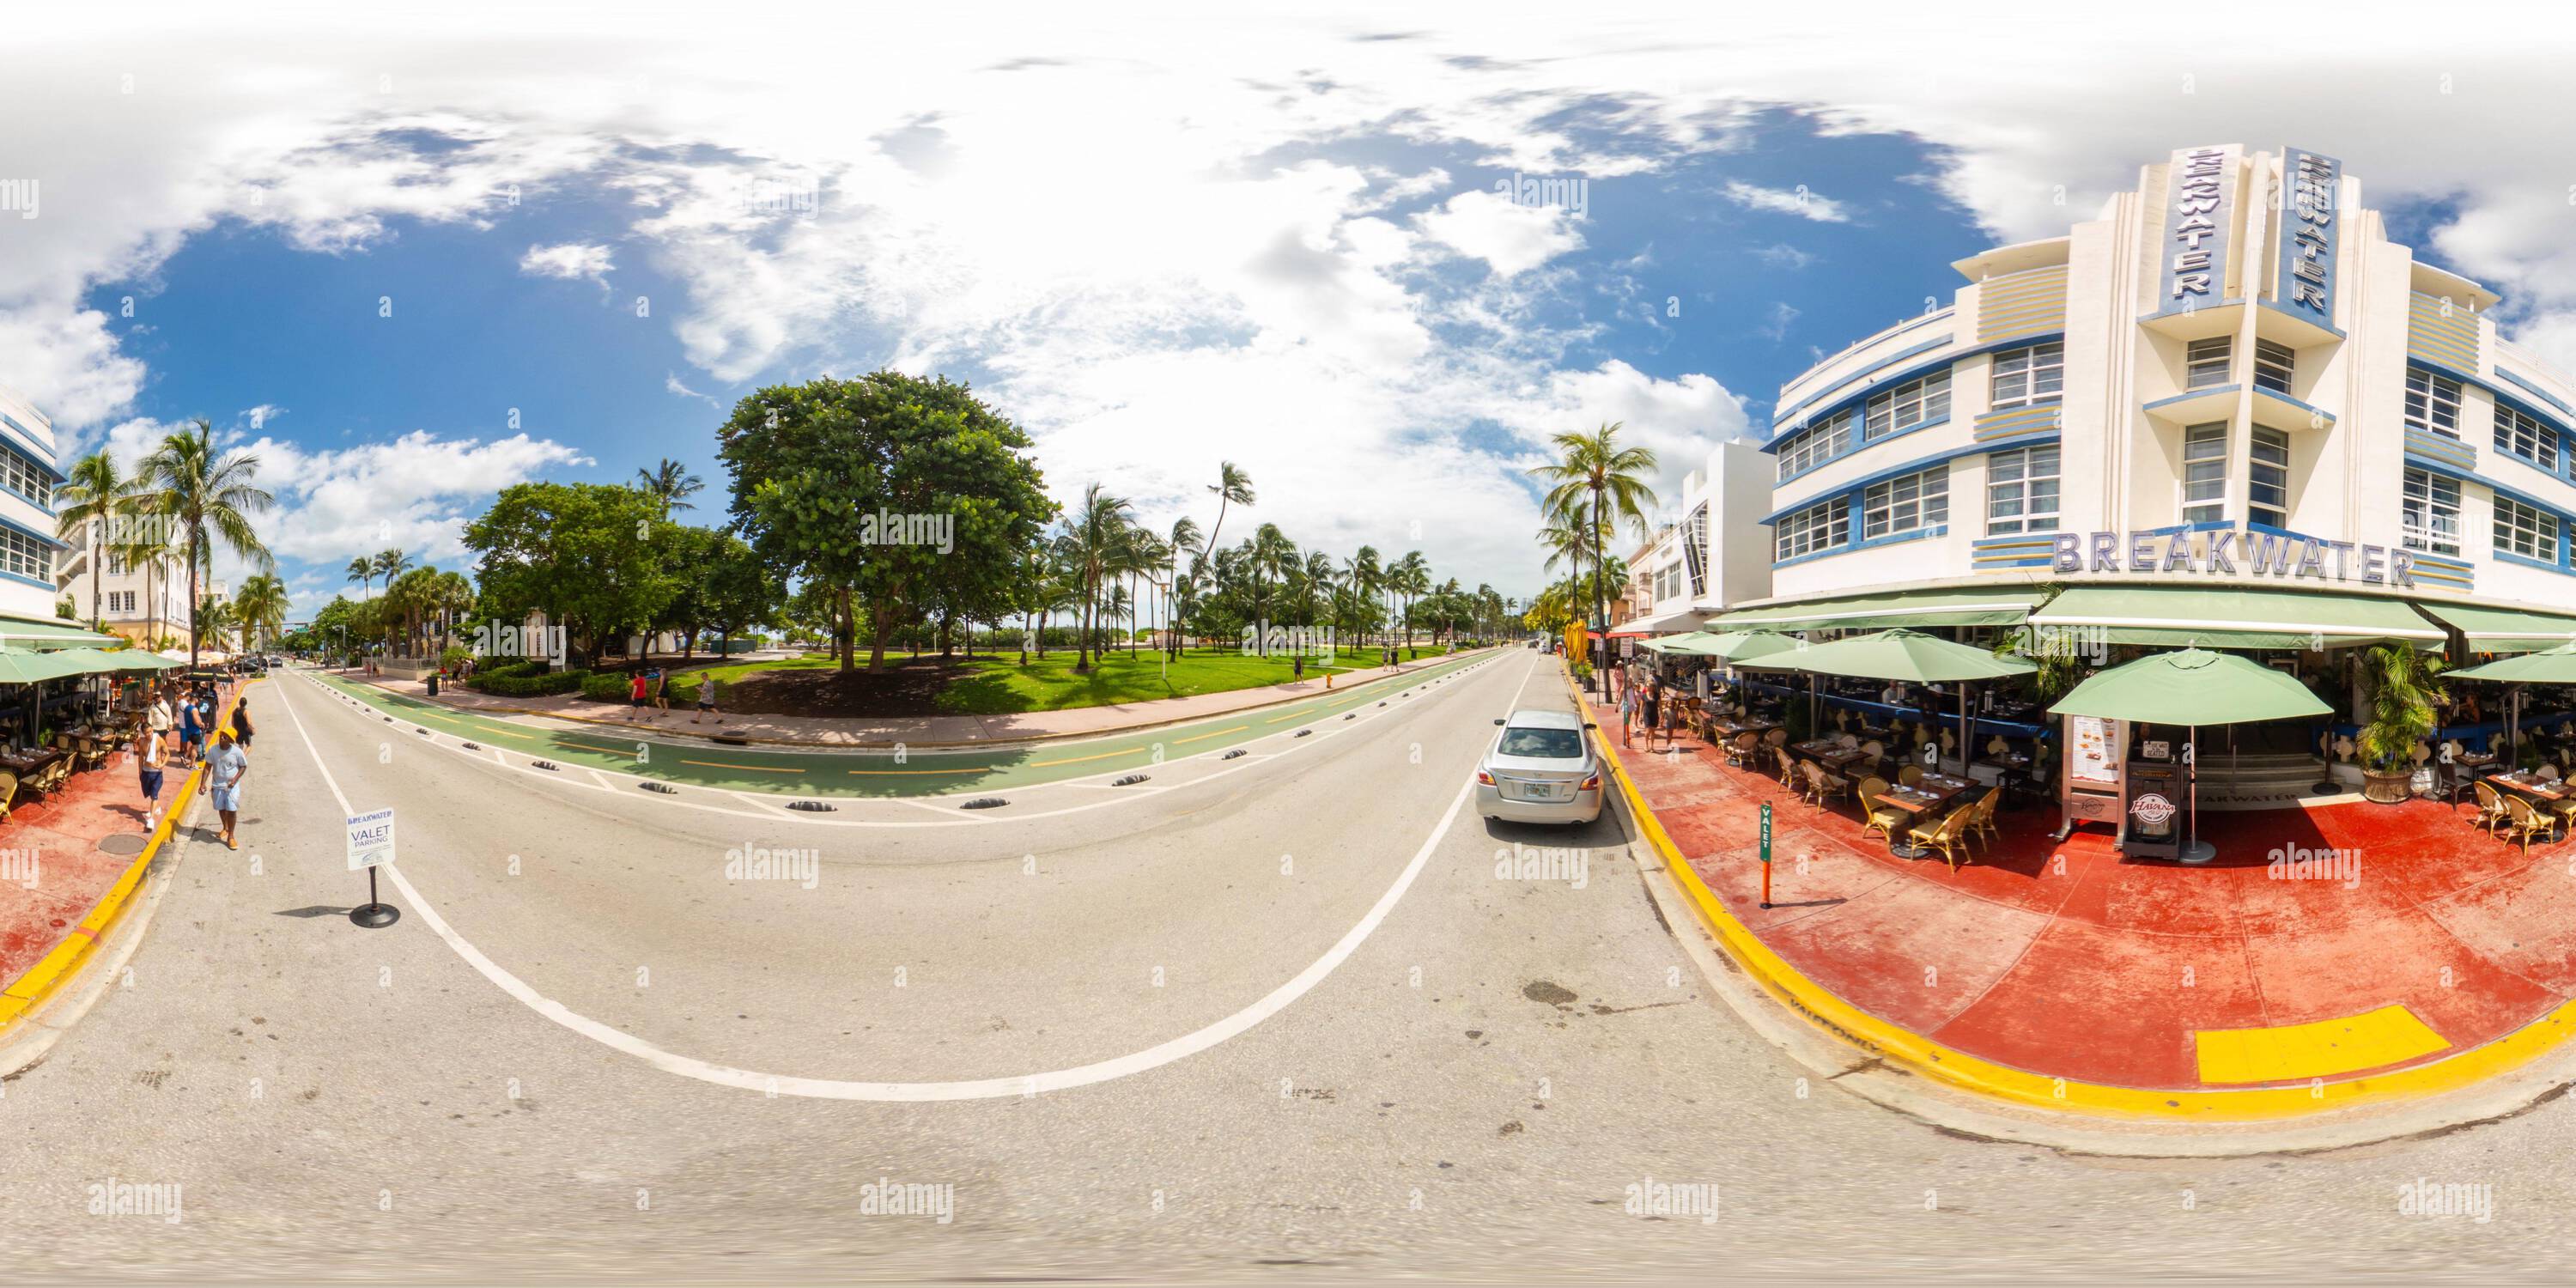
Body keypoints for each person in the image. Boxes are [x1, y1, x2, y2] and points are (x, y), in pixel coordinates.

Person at [203, 727, 248, 850]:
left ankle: (231, 837)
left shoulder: (237, 752)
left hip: (231, 787)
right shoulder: (213, 750)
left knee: (232, 809)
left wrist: (235, 779)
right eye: (221, 735)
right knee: (221, 808)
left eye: (225, 736)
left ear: (230, 741)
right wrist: (202, 784)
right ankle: (225, 828)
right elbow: (207, 766)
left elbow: (243, 766)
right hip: (217, 785)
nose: (222, 738)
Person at [135, 726, 167, 830]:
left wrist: (162, 765)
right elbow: (140, 758)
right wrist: (140, 772)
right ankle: (156, 808)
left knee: (154, 795)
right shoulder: (142, 742)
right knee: (149, 792)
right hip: (146, 771)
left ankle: (151, 820)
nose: (149, 734)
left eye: (150, 731)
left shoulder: (159, 740)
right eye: (147, 732)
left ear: (152, 730)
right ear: (143, 733)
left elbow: (167, 754)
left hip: (157, 772)